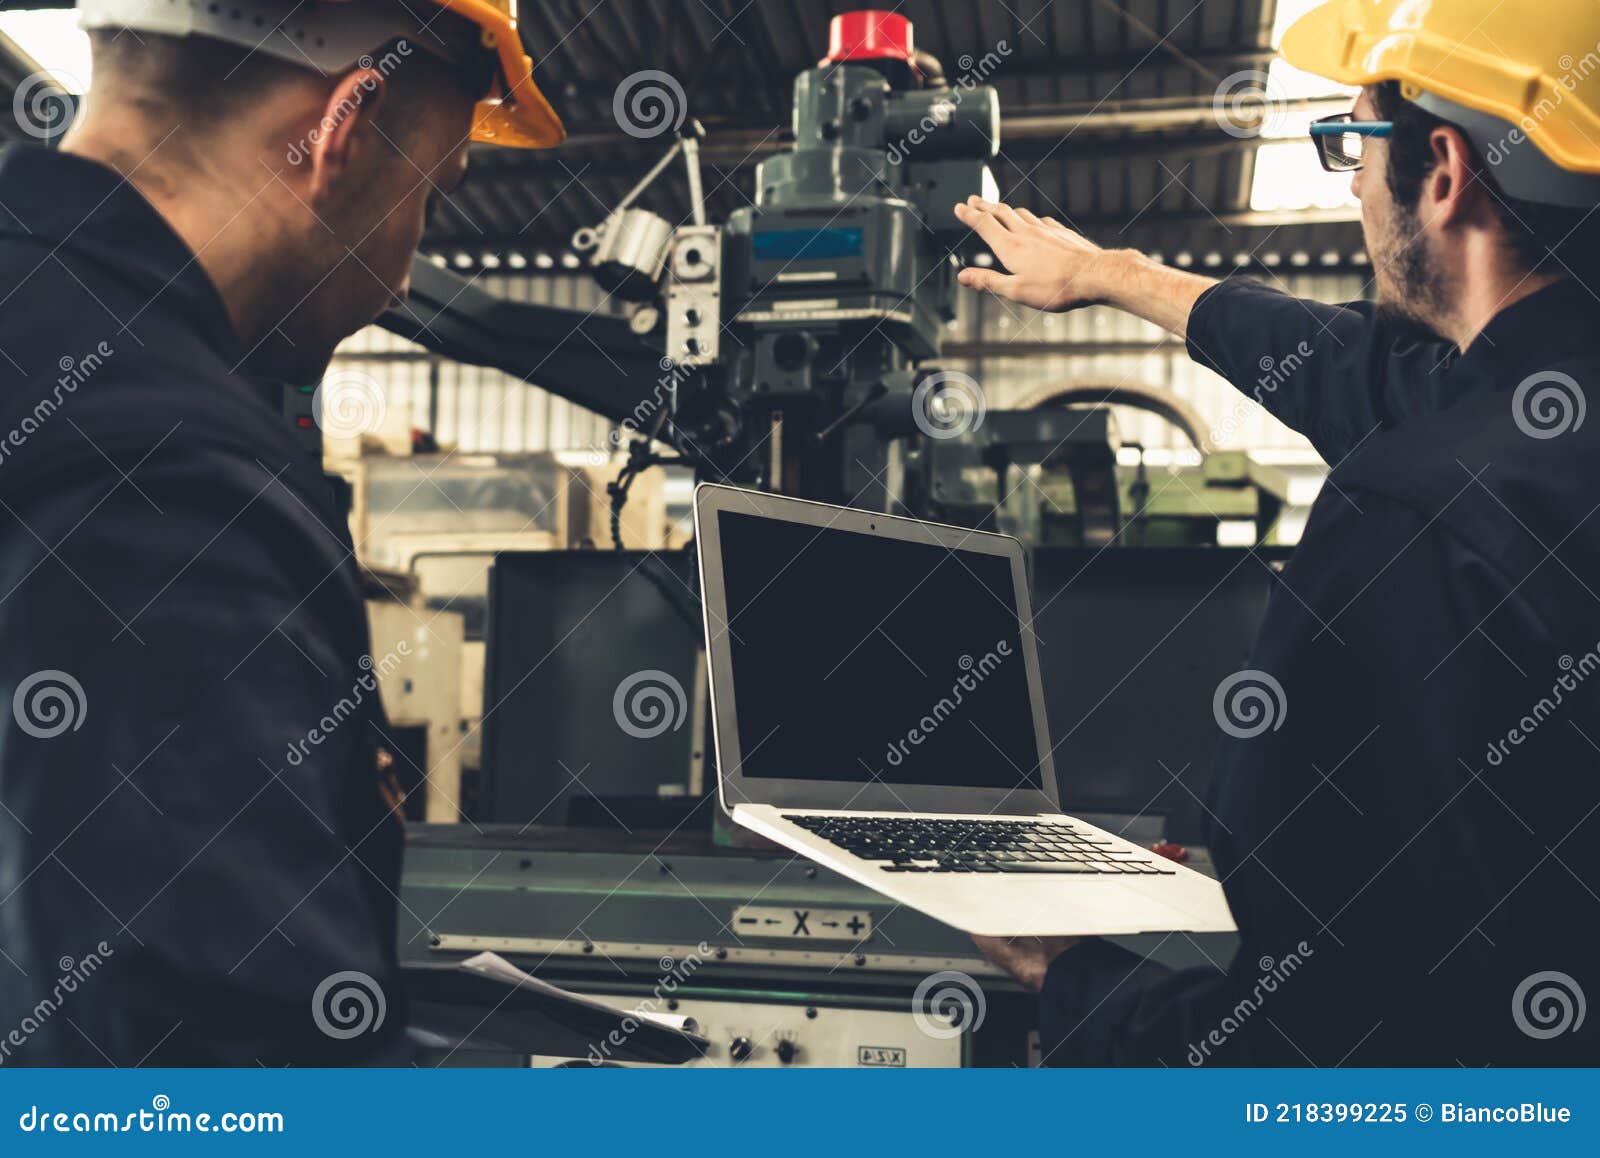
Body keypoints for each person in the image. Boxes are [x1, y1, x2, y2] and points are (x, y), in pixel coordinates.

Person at [957, 0, 1600, 1064]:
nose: (1348, 183)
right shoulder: (1520, 420)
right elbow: (1353, 372)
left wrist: (1073, 980)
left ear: (1442, 171)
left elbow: (1325, 1047)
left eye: (1353, 144)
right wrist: (1109, 273)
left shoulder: (1410, 522)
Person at [0, 0, 561, 1064]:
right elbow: (215, 1081)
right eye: (431, 194)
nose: (403, 266)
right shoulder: (165, 484)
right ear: (347, 124)